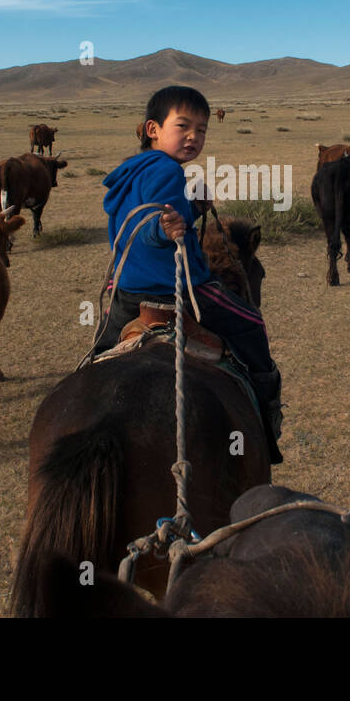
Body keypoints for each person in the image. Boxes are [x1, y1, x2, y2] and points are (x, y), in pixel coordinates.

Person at [93, 85, 284, 464]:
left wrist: (191, 211)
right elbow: (154, 223)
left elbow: (145, 217)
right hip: (177, 288)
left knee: (100, 354)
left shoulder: (129, 172)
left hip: (126, 289)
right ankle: (266, 421)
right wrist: (163, 231)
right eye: (183, 126)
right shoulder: (166, 171)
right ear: (153, 129)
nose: (194, 136)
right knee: (251, 327)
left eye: (202, 130)